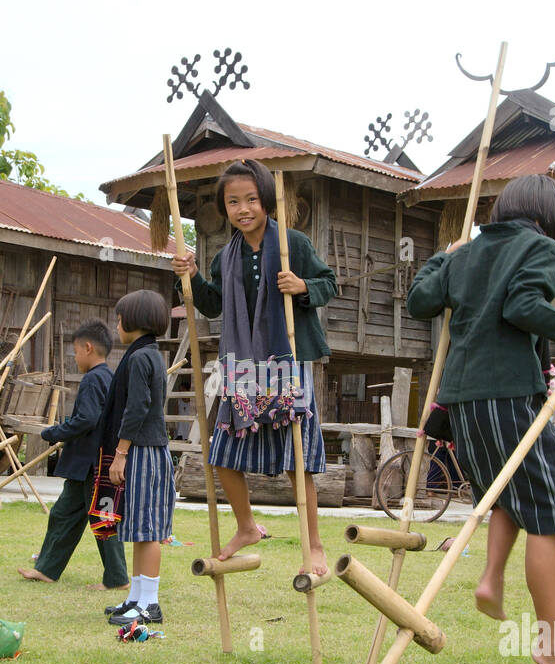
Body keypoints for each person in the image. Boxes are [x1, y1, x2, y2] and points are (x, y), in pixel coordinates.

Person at [407, 174, 555, 664]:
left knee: (504, 495)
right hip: (508, 397)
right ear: (551, 218)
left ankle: (491, 580)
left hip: (461, 404)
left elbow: (420, 299)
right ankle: (554, 649)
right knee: (548, 515)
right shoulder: (540, 246)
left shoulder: (466, 254)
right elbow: (522, 307)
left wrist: (444, 255)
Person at [171, 160, 338, 576]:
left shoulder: (292, 244)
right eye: (233, 202)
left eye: (250, 199)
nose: (243, 208)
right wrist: (190, 276)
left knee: (295, 459)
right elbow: (213, 305)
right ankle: (246, 527)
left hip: (285, 362)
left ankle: (314, 546)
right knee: (222, 452)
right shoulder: (224, 257)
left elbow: (329, 283)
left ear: (265, 199)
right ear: (224, 208)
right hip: (242, 367)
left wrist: (302, 286)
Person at [17, 321, 128, 590]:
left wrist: (54, 433)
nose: (75, 357)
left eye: (76, 351)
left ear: (88, 348)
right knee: (63, 514)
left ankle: (117, 579)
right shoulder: (108, 378)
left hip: (94, 463)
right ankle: (46, 569)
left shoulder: (93, 379)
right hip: (84, 464)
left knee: (103, 518)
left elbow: (86, 419)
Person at [101, 290, 174, 627]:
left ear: (134, 321)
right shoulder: (147, 354)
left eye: (119, 319)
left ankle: (150, 603)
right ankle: (136, 596)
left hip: (143, 450)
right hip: (146, 449)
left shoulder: (140, 357)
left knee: (148, 530)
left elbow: (137, 408)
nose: (116, 325)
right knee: (139, 528)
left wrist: (120, 454)